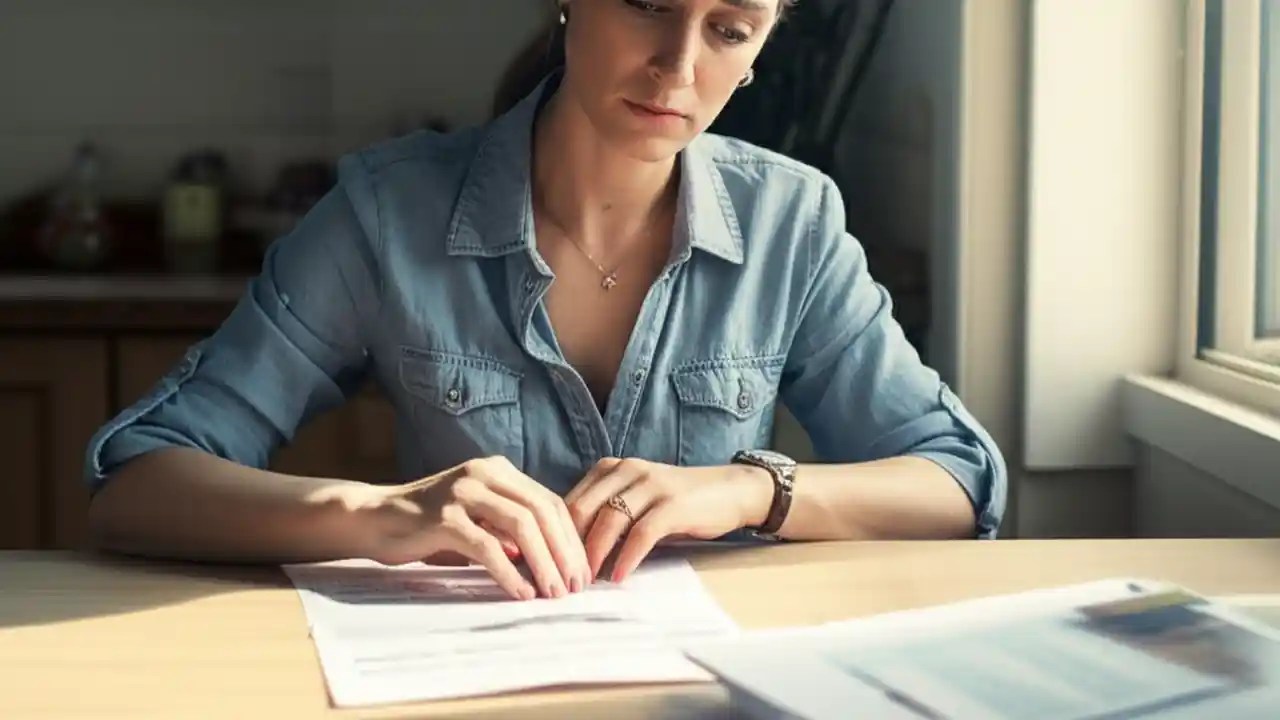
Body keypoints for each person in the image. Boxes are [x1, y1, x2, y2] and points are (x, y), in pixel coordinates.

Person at [83, 0, 1007, 602]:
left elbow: (957, 481)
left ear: (761, 48)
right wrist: (381, 514)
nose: (678, 66)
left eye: (729, 27)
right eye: (648, 4)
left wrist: (747, 488)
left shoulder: (792, 221)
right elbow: (138, 483)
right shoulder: (385, 212)